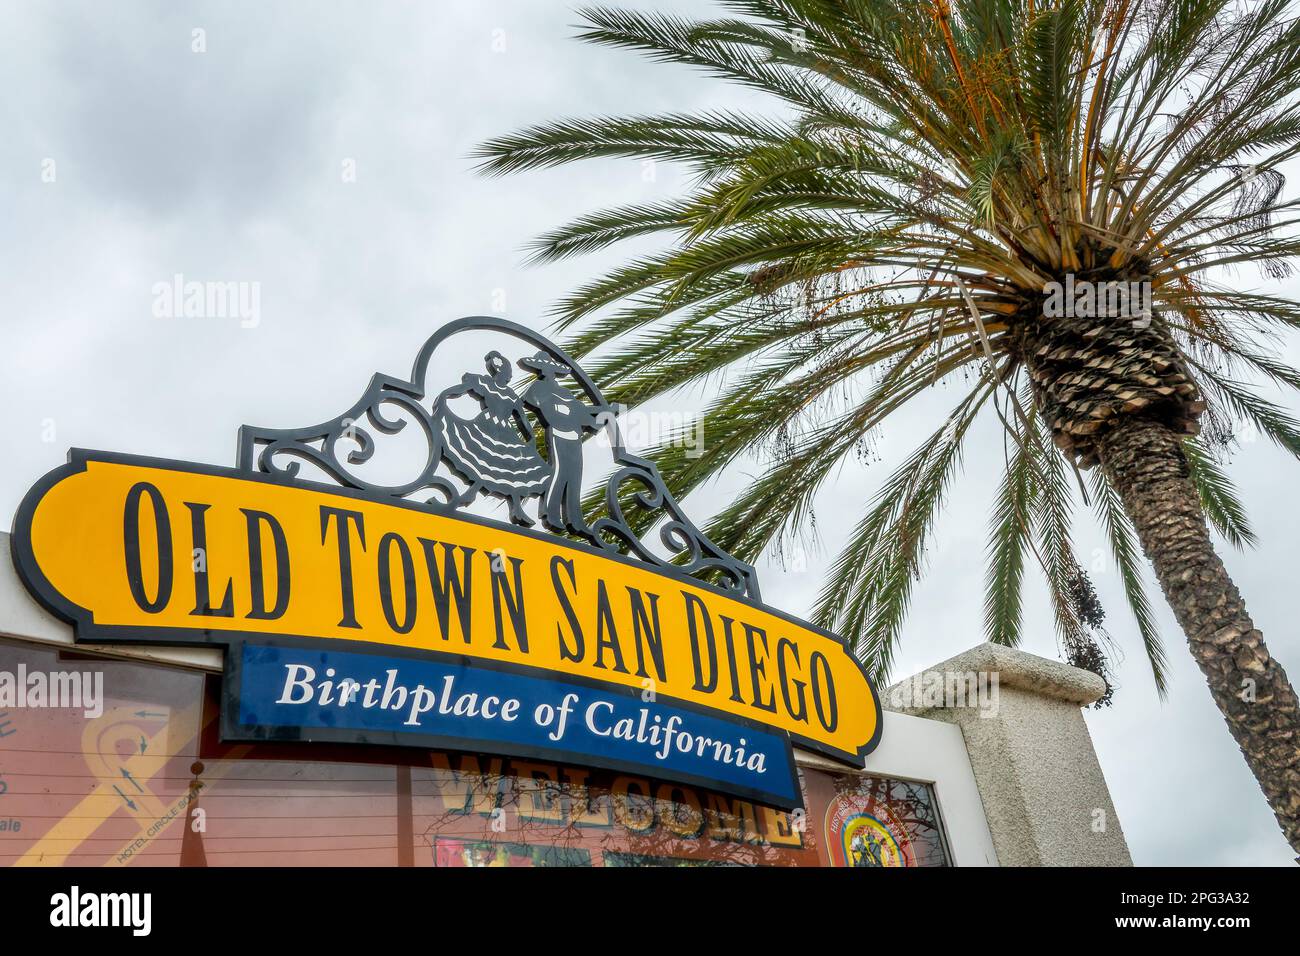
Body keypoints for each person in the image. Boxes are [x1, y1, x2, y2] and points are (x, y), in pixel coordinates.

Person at [430, 351, 550, 524]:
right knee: (484, 461)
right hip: (487, 427)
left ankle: (516, 508)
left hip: (507, 433)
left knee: (511, 469)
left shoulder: (510, 394)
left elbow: (522, 419)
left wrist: (530, 439)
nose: (509, 377)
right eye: (509, 373)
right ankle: (469, 495)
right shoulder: (485, 383)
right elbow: (462, 389)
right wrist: (444, 396)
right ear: (501, 372)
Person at [519, 350, 608, 537]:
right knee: (559, 473)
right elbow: (536, 404)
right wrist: (563, 410)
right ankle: (550, 514)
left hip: (574, 438)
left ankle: (575, 520)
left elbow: (584, 417)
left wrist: (605, 415)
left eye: (551, 367)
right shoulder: (538, 388)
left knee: (574, 477)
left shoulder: (565, 392)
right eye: (544, 367)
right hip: (558, 435)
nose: (548, 371)